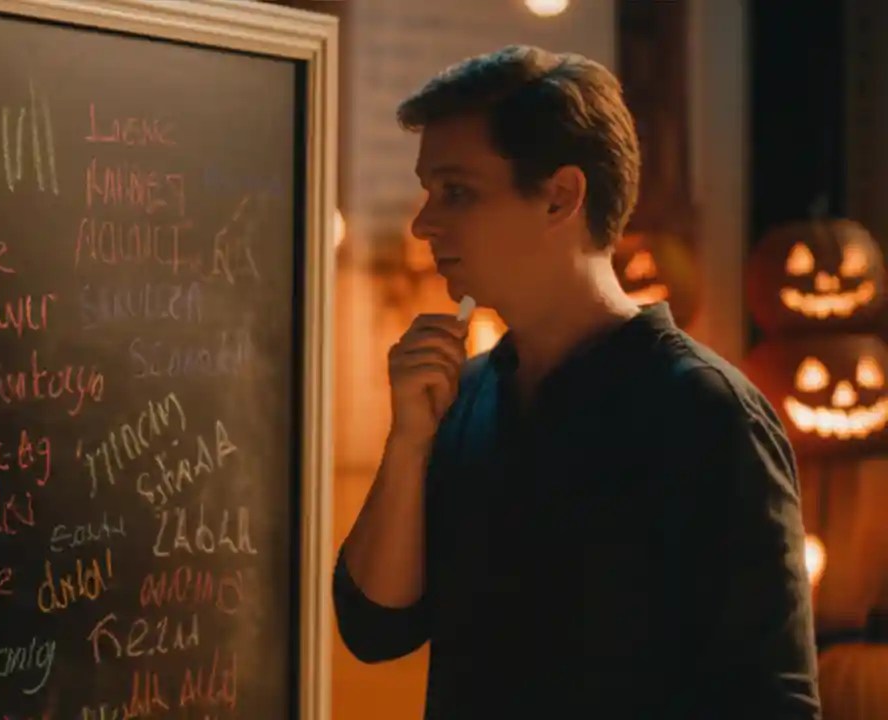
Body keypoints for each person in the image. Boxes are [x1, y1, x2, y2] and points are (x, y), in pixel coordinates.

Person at [332, 45, 821, 719]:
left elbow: (773, 702)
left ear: (560, 196)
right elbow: (374, 628)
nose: (423, 223)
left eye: (456, 191)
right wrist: (409, 442)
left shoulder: (705, 412)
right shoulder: (467, 394)